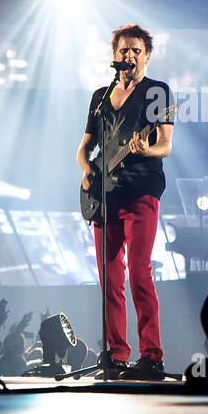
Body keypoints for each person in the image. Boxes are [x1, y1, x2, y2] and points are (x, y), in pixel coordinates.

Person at [77, 23, 175, 379]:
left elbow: (165, 144)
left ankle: (152, 355)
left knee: (139, 274)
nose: (129, 55)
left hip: (142, 191)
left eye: (136, 50)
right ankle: (116, 354)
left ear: (147, 56)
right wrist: (87, 169)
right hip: (105, 195)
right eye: (123, 50)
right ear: (114, 56)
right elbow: (84, 148)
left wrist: (146, 148)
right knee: (109, 278)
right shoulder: (100, 97)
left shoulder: (158, 93)